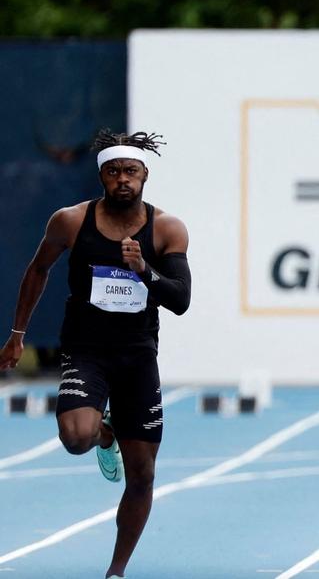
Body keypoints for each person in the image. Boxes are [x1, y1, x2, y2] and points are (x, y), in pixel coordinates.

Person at [0, 130, 192, 579]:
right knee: (75, 438)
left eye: (131, 171)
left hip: (138, 356)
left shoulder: (166, 228)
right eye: (113, 172)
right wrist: (17, 334)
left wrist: (144, 270)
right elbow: (38, 270)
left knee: (142, 475)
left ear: (145, 175)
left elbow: (181, 299)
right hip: (85, 350)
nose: (122, 179)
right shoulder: (70, 221)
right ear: (102, 176)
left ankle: (116, 572)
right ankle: (105, 435)